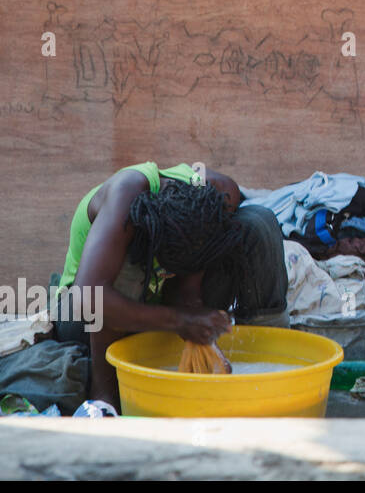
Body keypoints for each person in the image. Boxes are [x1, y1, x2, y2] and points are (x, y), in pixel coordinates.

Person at [53, 162, 289, 409]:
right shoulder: (126, 196)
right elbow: (88, 296)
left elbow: (194, 270)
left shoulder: (222, 193)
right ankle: (105, 396)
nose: (171, 274)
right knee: (128, 263)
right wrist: (181, 320)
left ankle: (273, 357)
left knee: (257, 222)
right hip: (86, 318)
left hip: (166, 310)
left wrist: (196, 313)